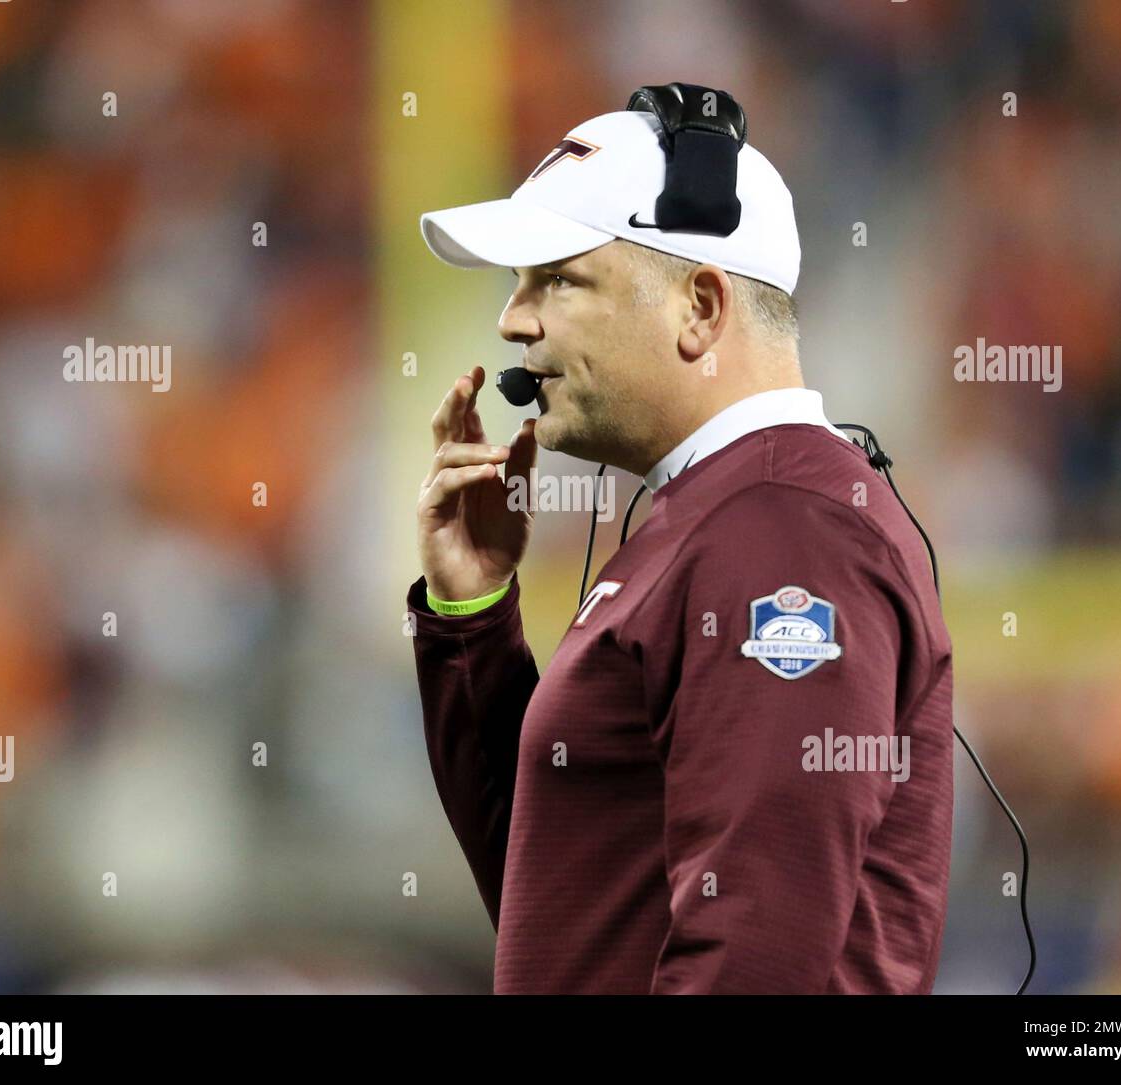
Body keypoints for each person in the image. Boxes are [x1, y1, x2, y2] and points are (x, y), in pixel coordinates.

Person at [408, 101, 954, 994]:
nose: (513, 321)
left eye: (558, 280)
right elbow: (561, 892)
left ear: (700, 306)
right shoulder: (724, 514)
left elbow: (756, 957)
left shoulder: (781, 533)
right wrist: (471, 615)